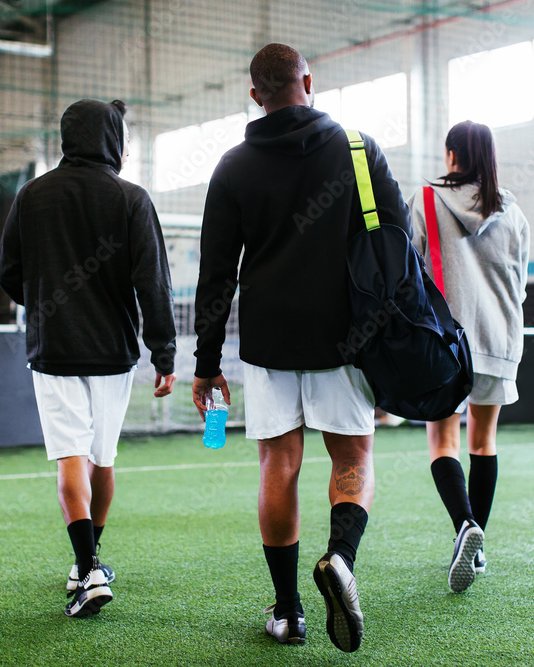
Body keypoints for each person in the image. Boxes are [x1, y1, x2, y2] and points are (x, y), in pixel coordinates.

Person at [191, 43, 410, 652]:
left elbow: (216, 276)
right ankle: (340, 558)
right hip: (347, 339)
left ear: (254, 93)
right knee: (352, 459)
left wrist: (206, 366)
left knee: (277, 466)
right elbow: (400, 246)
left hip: (268, 344)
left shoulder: (233, 166)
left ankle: (287, 613)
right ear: (308, 81)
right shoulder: (360, 150)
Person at [0, 99, 176, 618]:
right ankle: (89, 562)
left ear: (66, 136)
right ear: (114, 139)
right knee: (103, 457)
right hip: (113, 350)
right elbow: (154, 283)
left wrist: (50, 299)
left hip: (54, 346)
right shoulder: (131, 198)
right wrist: (163, 352)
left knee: (70, 456)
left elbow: (9, 272)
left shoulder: (32, 196)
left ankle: (87, 568)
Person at [407, 120, 529, 594]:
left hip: (446, 342)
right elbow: (521, 282)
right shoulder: (514, 211)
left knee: (443, 442)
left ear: (452, 156)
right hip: (500, 338)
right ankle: (477, 551)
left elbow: (411, 269)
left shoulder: (426, 198)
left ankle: (464, 527)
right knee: (484, 442)